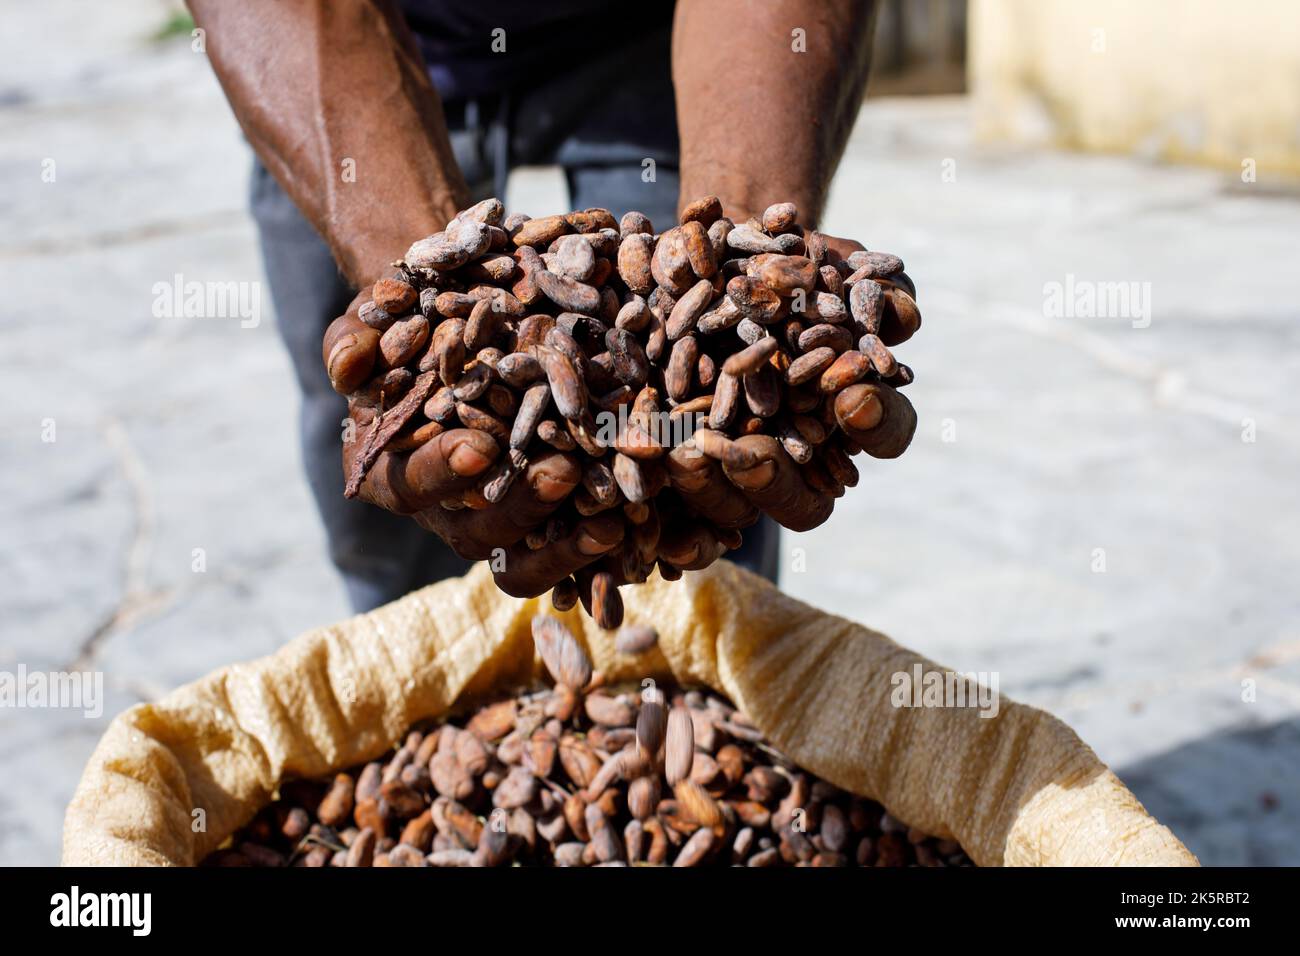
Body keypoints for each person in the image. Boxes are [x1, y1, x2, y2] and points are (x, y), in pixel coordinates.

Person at [188, 0, 915, 610]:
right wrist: (420, 285)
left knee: (698, 504)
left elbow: (714, 286)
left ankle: (683, 702)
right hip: (343, 41)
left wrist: (747, 246)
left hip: (657, 42)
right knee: (387, 460)